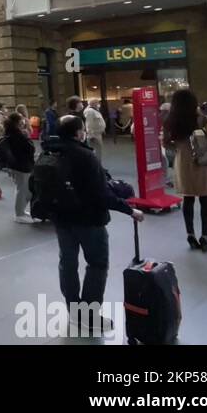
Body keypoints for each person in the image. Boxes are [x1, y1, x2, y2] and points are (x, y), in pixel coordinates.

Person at [41, 116, 143, 333]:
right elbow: (101, 195)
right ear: (78, 133)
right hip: (88, 219)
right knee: (97, 264)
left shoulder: (49, 151)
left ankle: (74, 311)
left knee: (67, 264)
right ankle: (89, 315)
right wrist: (129, 210)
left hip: (61, 218)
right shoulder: (85, 156)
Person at [164, 89, 207, 252]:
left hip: (184, 162)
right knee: (206, 200)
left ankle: (190, 235)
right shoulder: (204, 119)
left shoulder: (171, 121)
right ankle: (205, 238)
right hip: (204, 163)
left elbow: (166, 143)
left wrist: (180, 148)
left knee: (188, 200)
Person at [0, 112, 37, 224]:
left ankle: (21, 211)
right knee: (22, 189)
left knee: (24, 189)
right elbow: (28, 148)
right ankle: (19, 213)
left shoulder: (11, 133)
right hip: (21, 165)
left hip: (18, 165)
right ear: (18, 122)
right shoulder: (17, 134)